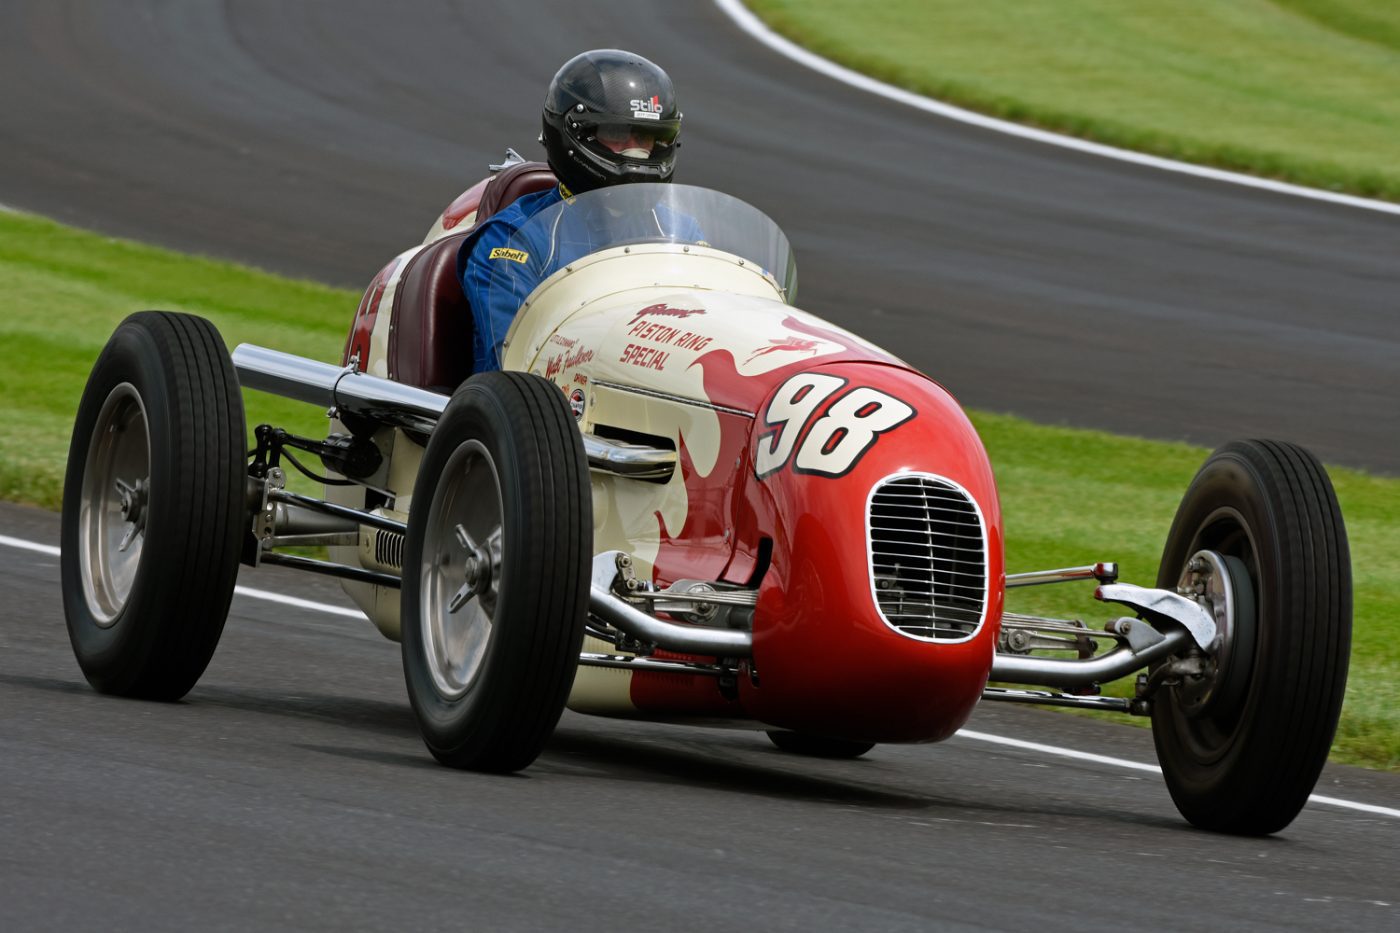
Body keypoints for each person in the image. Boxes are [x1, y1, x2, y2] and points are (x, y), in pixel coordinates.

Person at [457, 49, 684, 374]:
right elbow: (518, 369)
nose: (636, 151)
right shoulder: (514, 239)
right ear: (574, 134)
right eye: (618, 135)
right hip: (538, 415)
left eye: (647, 137)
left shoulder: (680, 234)